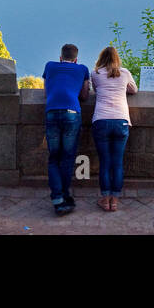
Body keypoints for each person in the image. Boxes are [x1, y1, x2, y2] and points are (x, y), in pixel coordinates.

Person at [85, 45, 137, 211]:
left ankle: (105, 199)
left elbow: (95, 89)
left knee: (105, 163)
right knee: (117, 163)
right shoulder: (125, 72)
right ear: (117, 59)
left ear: (101, 59)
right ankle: (114, 201)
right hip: (121, 120)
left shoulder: (95, 74)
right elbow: (134, 90)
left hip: (101, 120)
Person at [42, 43, 90, 216]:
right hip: (72, 112)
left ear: (60, 57)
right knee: (67, 158)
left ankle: (58, 199)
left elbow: (46, 92)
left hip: (52, 111)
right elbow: (84, 95)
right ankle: (65, 195)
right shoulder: (82, 69)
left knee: (54, 158)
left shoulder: (49, 65)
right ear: (76, 59)